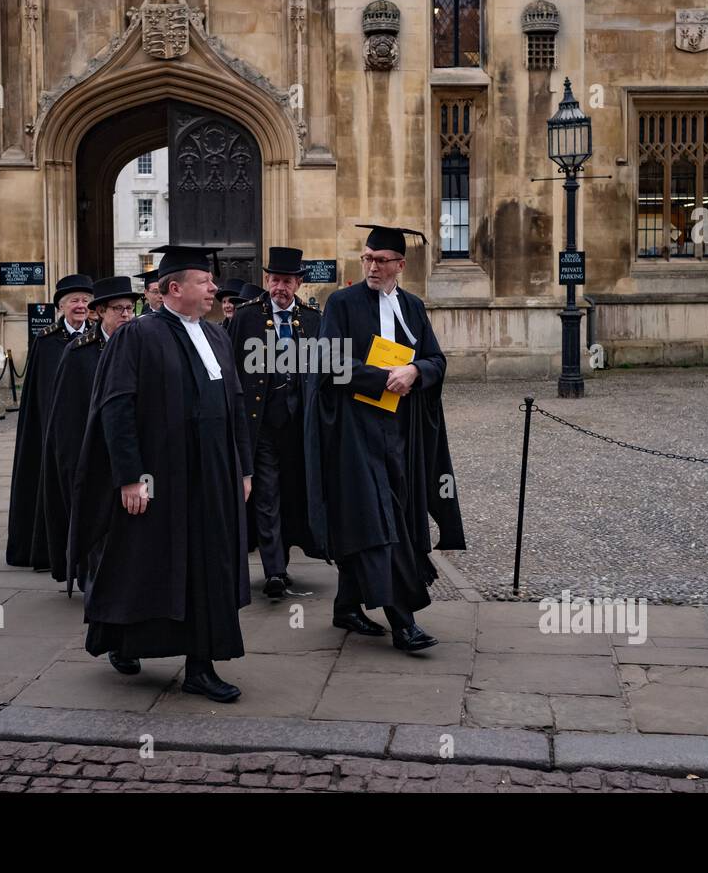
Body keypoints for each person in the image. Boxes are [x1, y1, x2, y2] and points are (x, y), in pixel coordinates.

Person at [67, 245, 254, 700]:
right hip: (159, 480)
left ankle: (200, 666)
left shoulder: (216, 337)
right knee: (141, 566)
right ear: (175, 288)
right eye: (204, 281)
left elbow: (234, 407)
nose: (214, 288)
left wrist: (243, 469)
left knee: (207, 569)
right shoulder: (139, 336)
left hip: (212, 478)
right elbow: (117, 407)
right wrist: (129, 476)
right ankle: (120, 640)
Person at [304, 225, 465, 650]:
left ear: (400, 266)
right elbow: (328, 361)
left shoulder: (412, 307)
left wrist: (416, 372)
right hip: (356, 431)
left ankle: (346, 606)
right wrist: (383, 378)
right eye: (367, 258)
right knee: (380, 521)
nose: (372, 267)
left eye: (381, 260)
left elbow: (437, 360)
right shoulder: (341, 302)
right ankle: (403, 621)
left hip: (403, 433)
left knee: (390, 515)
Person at [230, 248, 323, 599]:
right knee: (266, 493)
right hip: (262, 425)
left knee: (293, 490)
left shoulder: (313, 318)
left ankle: (286, 555)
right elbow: (233, 372)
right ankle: (274, 571)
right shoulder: (246, 318)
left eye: (286, 281)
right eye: (273, 280)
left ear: (298, 282)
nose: (278, 287)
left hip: (299, 424)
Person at [39, 276, 140, 595]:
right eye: (118, 309)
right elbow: (65, 418)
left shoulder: (142, 346)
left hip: (131, 453)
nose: (126, 314)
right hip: (92, 454)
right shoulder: (79, 354)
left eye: (130, 308)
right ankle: (96, 584)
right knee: (95, 522)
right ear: (100, 312)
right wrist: (70, 463)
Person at [6, 274, 93, 569]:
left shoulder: (99, 337)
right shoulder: (46, 342)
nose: (81, 306)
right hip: (55, 427)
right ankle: (48, 551)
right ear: (61, 306)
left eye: (85, 300)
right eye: (74, 301)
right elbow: (40, 393)